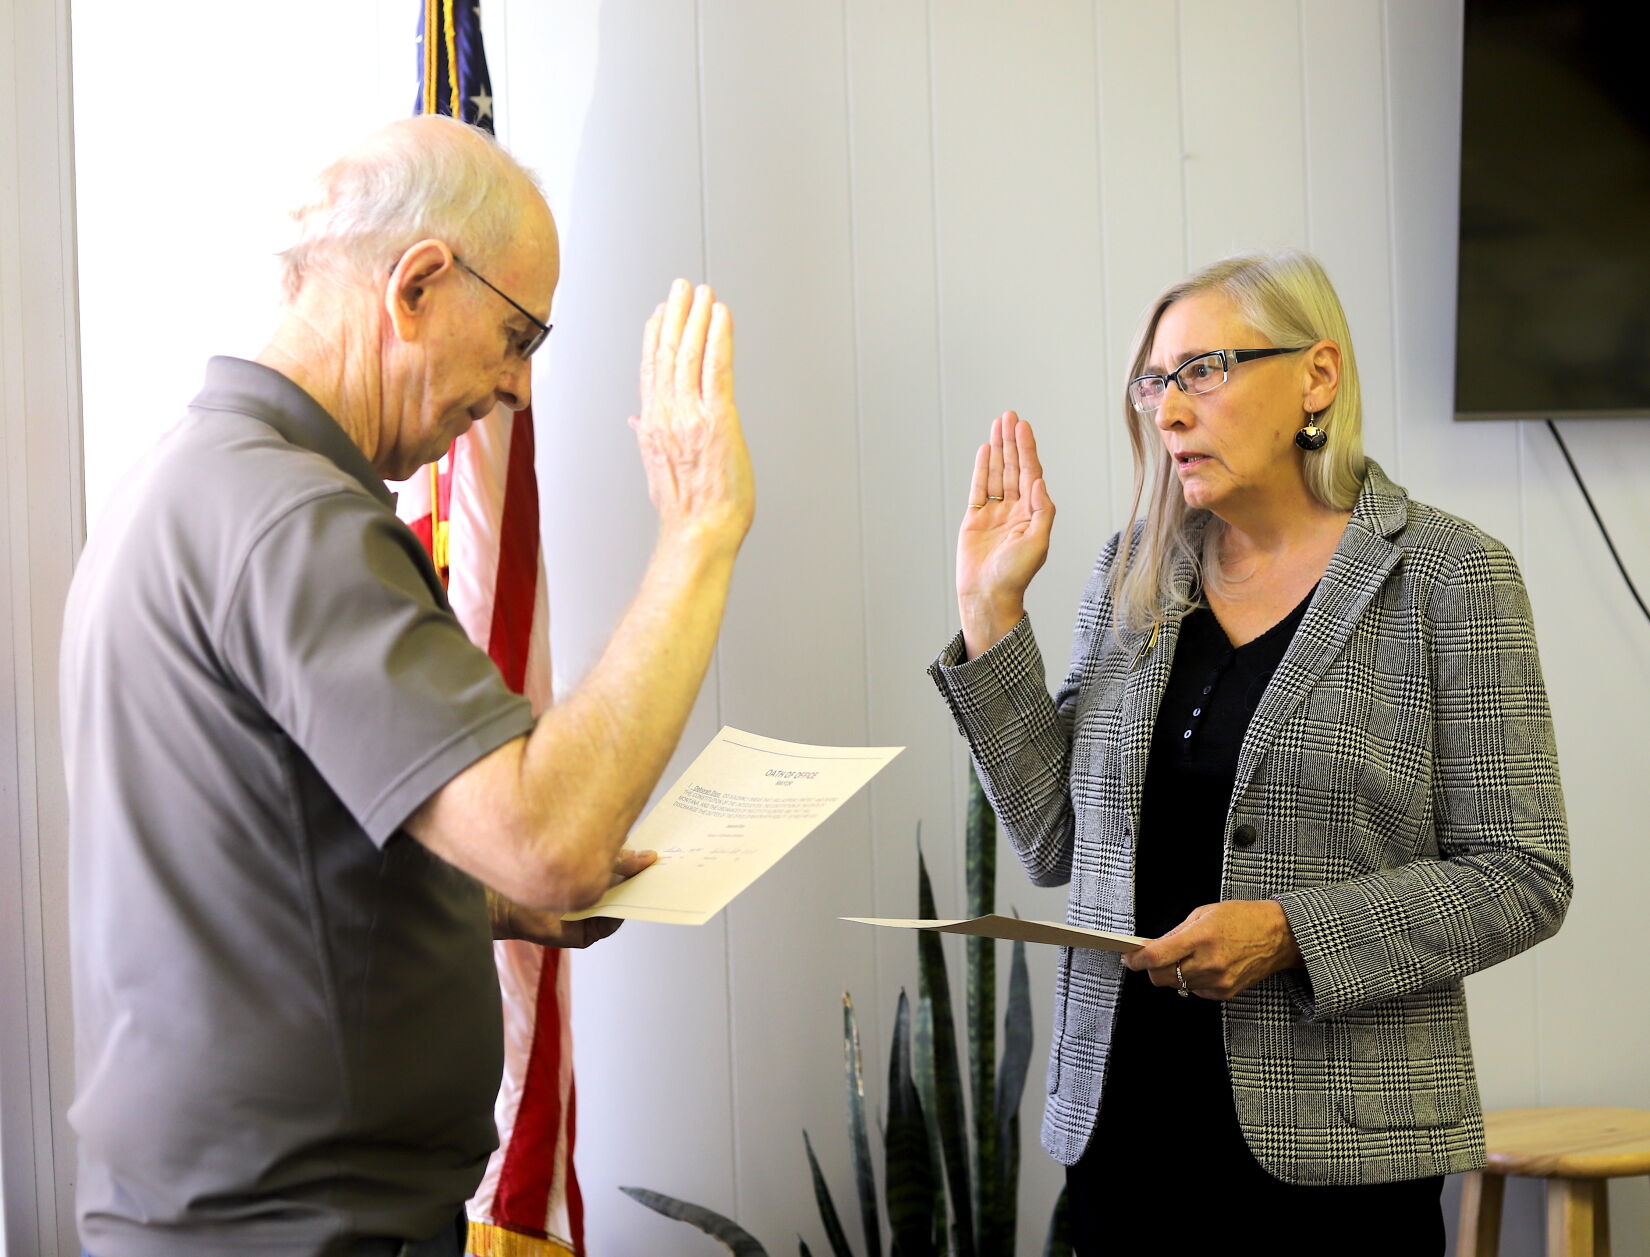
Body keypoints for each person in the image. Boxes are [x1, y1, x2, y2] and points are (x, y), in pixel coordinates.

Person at [61, 114, 754, 1257]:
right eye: (518, 335)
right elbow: (554, 840)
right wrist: (700, 529)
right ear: (419, 284)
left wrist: (474, 900)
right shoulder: (293, 521)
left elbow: (263, 854)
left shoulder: (187, 482)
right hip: (297, 1231)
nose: (517, 390)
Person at [928, 249, 1570, 1253]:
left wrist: (1292, 932)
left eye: (1204, 372)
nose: (1169, 411)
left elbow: (1525, 876)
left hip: (1338, 1164)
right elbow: (1055, 840)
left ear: (1317, 376)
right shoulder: (1132, 572)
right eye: (1154, 382)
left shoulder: (1452, 576)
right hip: (1124, 1139)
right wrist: (990, 609)